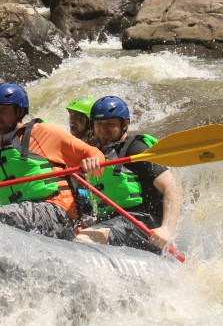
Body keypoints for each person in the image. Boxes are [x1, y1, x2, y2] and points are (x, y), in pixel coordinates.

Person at [0, 82, 104, 241]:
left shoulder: (44, 132)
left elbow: (92, 152)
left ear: (19, 112)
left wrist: (93, 162)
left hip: (56, 211)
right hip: (20, 219)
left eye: (3, 110)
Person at [77, 95, 183, 253]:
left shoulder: (136, 149)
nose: (103, 129)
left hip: (143, 222)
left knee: (83, 238)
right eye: (99, 124)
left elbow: (173, 187)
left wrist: (167, 229)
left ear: (125, 124)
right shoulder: (94, 153)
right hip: (112, 220)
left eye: (110, 124)